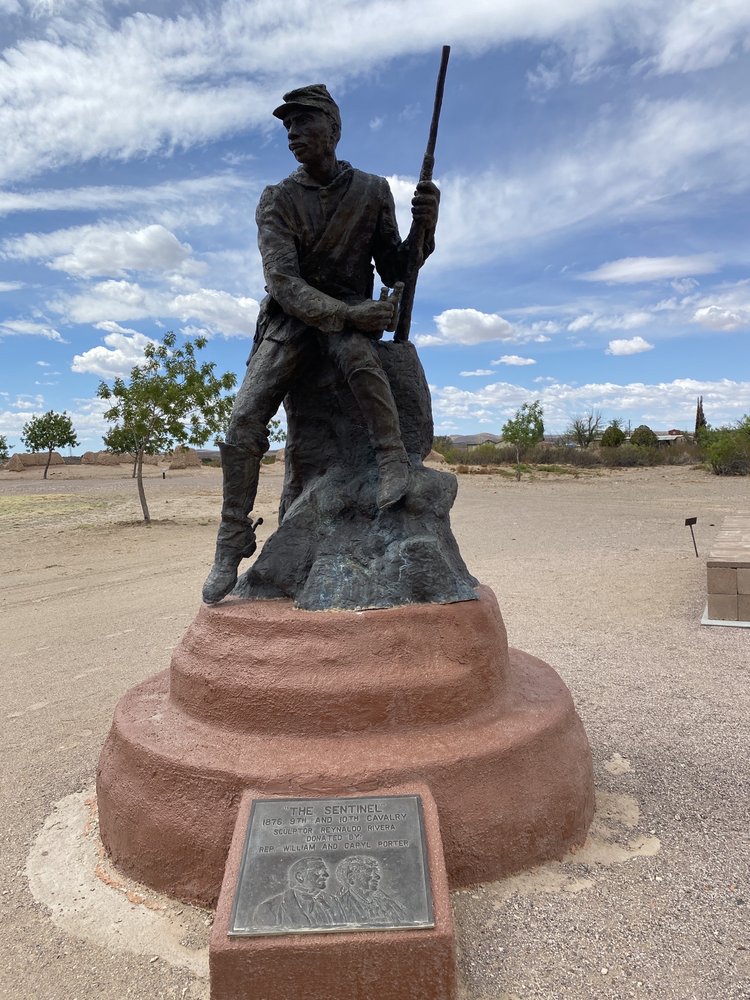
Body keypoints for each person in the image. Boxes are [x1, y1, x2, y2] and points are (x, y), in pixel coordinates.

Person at [202, 83, 440, 604]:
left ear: (332, 129)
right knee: (243, 421)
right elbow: (283, 284)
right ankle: (231, 535)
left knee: (363, 368)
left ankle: (392, 461)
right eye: (287, 127)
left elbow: (396, 267)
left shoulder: (373, 191)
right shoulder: (277, 199)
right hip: (291, 324)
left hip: (349, 325)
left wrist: (426, 226)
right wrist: (352, 313)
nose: (292, 135)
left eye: (303, 123)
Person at [253, 857, 343, 929]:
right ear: (300, 877)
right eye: (318, 871)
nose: (326, 875)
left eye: (325, 870)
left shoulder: (333, 901)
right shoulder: (269, 909)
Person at [335, 854, 408, 925]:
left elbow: (405, 921)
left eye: (376, 872)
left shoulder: (386, 902)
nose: (377, 876)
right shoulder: (341, 906)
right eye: (369, 871)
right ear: (351, 878)